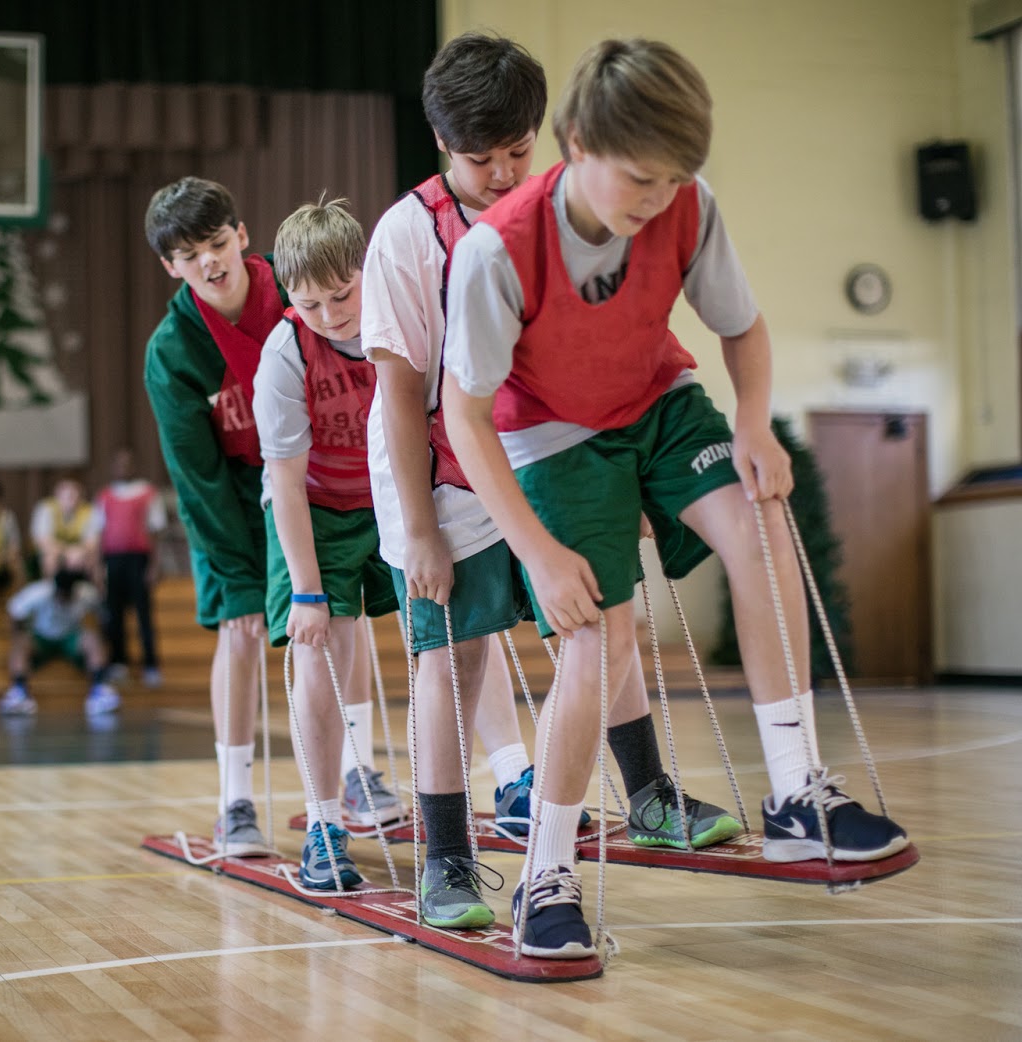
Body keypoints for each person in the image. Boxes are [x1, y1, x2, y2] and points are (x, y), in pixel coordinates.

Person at [442, 38, 909, 958]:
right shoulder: (498, 250)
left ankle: (795, 792)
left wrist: (755, 425)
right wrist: (539, 552)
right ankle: (546, 875)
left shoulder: (688, 204)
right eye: (640, 179)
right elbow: (465, 416)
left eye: (673, 181)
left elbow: (743, 327)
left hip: (657, 400)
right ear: (578, 143)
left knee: (760, 521)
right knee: (600, 639)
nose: (656, 200)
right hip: (552, 433)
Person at [364, 32, 737, 931]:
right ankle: (448, 858)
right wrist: (419, 528)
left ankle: (647, 793)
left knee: (604, 621)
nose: (500, 174)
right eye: (479, 159)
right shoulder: (406, 236)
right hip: (445, 475)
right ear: (440, 142)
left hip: (546, 451)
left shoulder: (572, 211)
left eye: (516, 152)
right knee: (453, 659)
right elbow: (402, 395)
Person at [253, 198, 406, 890]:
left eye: (341, 295)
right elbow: (285, 485)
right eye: (308, 303)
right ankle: (323, 826)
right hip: (313, 508)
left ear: (365, 271)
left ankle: (511, 773)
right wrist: (308, 594)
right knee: (322, 646)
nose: (329, 314)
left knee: (458, 625)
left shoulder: (402, 321)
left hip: (390, 494)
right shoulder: (285, 353)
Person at [143, 176, 289, 855]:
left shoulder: (295, 292)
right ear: (170, 266)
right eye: (189, 254)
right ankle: (235, 800)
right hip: (227, 498)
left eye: (217, 242)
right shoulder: (172, 352)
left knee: (334, 618)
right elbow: (196, 477)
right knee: (241, 628)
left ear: (242, 236)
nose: (209, 261)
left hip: (310, 482)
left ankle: (355, 777)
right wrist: (240, 576)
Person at [0, 567, 122, 718]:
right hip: (41, 637)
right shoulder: (38, 593)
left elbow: (103, 616)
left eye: (68, 594)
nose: (65, 597)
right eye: (62, 593)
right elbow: (14, 611)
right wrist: (18, 635)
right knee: (21, 643)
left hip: (70, 637)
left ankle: (99, 689)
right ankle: (19, 691)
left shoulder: (87, 594)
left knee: (92, 638)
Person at [92, 448, 167, 687]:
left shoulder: (147, 493)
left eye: (127, 463)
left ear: (135, 465)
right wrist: (97, 567)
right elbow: (98, 533)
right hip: (113, 560)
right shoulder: (104, 496)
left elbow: (156, 531)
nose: (122, 468)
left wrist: (154, 565)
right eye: (118, 463)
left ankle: (151, 665)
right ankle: (119, 662)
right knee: (114, 613)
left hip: (138, 559)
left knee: (143, 613)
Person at [30, 476, 98, 580]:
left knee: (93, 557)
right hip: (57, 551)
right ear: (57, 495)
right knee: (50, 557)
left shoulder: (88, 510)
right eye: (68, 495)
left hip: (79, 552)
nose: (72, 499)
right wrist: (67, 552)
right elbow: (44, 541)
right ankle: (51, 586)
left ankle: (87, 588)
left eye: (75, 494)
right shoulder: (46, 508)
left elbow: (92, 542)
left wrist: (80, 551)